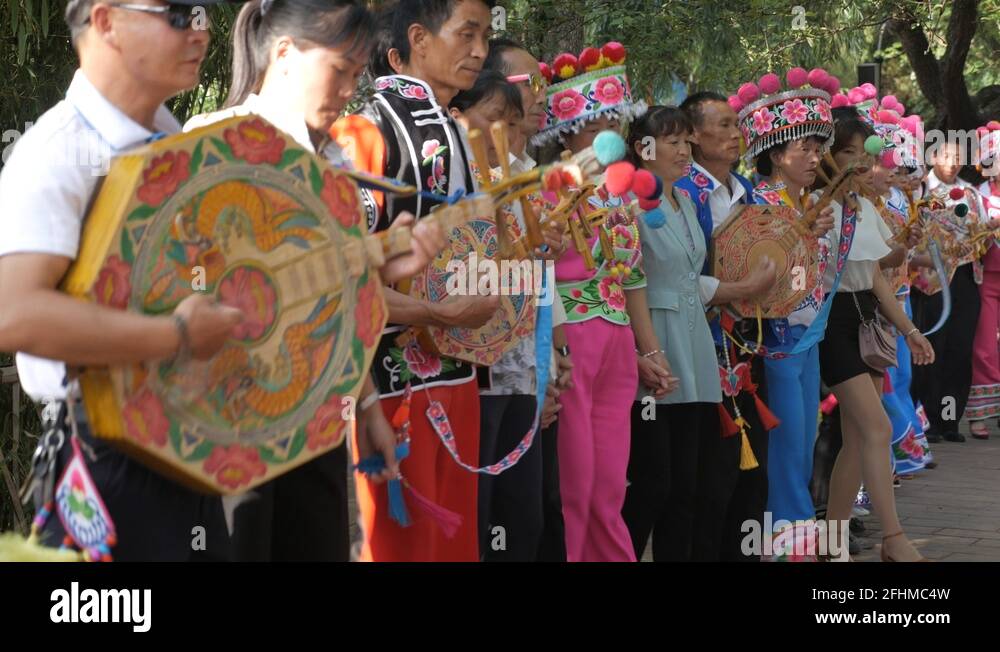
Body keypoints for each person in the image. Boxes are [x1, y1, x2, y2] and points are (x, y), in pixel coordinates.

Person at [183, 0, 446, 561]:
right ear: (284, 52)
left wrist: (369, 405)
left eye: (357, 74)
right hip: (233, 418)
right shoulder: (214, 139)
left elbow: (339, 304)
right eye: (341, 69)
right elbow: (186, 280)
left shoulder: (336, 165)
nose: (350, 88)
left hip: (318, 417)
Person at [0, 0, 247, 561]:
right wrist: (176, 338)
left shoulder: (171, 142)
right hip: (105, 459)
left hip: (185, 445)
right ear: (107, 21)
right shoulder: (58, 152)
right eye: (180, 15)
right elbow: (14, 313)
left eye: (204, 15)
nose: (201, 33)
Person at [331, 0, 499, 562]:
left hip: (456, 371)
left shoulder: (459, 131)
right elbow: (343, 278)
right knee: (400, 545)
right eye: (467, 34)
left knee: (452, 543)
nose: (480, 50)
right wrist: (441, 314)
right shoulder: (366, 127)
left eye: (485, 37)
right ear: (419, 40)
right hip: (387, 385)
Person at [533, 42, 647, 561]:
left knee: (610, 484)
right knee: (574, 485)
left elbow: (633, 276)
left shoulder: (621, 193)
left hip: (617, 337)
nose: (611, 136)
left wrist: (650, 351)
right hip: (572, 334)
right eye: (598, 124)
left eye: (615, 123)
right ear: (566, 131)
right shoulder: (543, 190)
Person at [816, 106, 935, 562]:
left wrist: (910, 331)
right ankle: (893, 537)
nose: (859, 163)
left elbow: (880, 276)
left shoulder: (862, 206)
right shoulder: (819, 209)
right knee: (878, 427)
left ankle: (831, 541)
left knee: (857, 436)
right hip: (830, 324)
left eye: (864, 153)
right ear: (829, 156)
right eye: (846, 152)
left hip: (869, 322)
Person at [728, 68, 836, 559]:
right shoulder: (757, 205)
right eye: (805, 149)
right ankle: (786, 537)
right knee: (790, 439)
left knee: (807, 433)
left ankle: (796, 534)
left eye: (819, 149)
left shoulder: (812, 202)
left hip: (808, 335)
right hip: (774, 340)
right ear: (776, 154)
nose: (815, 158)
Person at [675, 91, 777, 561]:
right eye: (723, 124)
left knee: (751, 478)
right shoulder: (684, 193)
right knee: (709, 477)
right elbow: (684, 280)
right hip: (702, 344)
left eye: (738, 124)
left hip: (747, 346)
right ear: (692, 135)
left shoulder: (747, 191)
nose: (736, 133)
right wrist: (743, 287)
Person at [911, 140, 983, 444]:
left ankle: (950, 419)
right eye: (947, 157)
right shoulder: (920, 189)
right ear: (934, 157)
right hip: (929, 280)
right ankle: (928, 421)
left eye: (958, 158)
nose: (953, 163)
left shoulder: (970, 193)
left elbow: (980, 236)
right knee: (932, 349)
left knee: (959, 349)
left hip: (965, 275)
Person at [967, 123, 1000, 438]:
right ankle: (980, 414)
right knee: (985, 346)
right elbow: (968, 237)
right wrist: (986, 228)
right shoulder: (977, 195)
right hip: (986, 278)